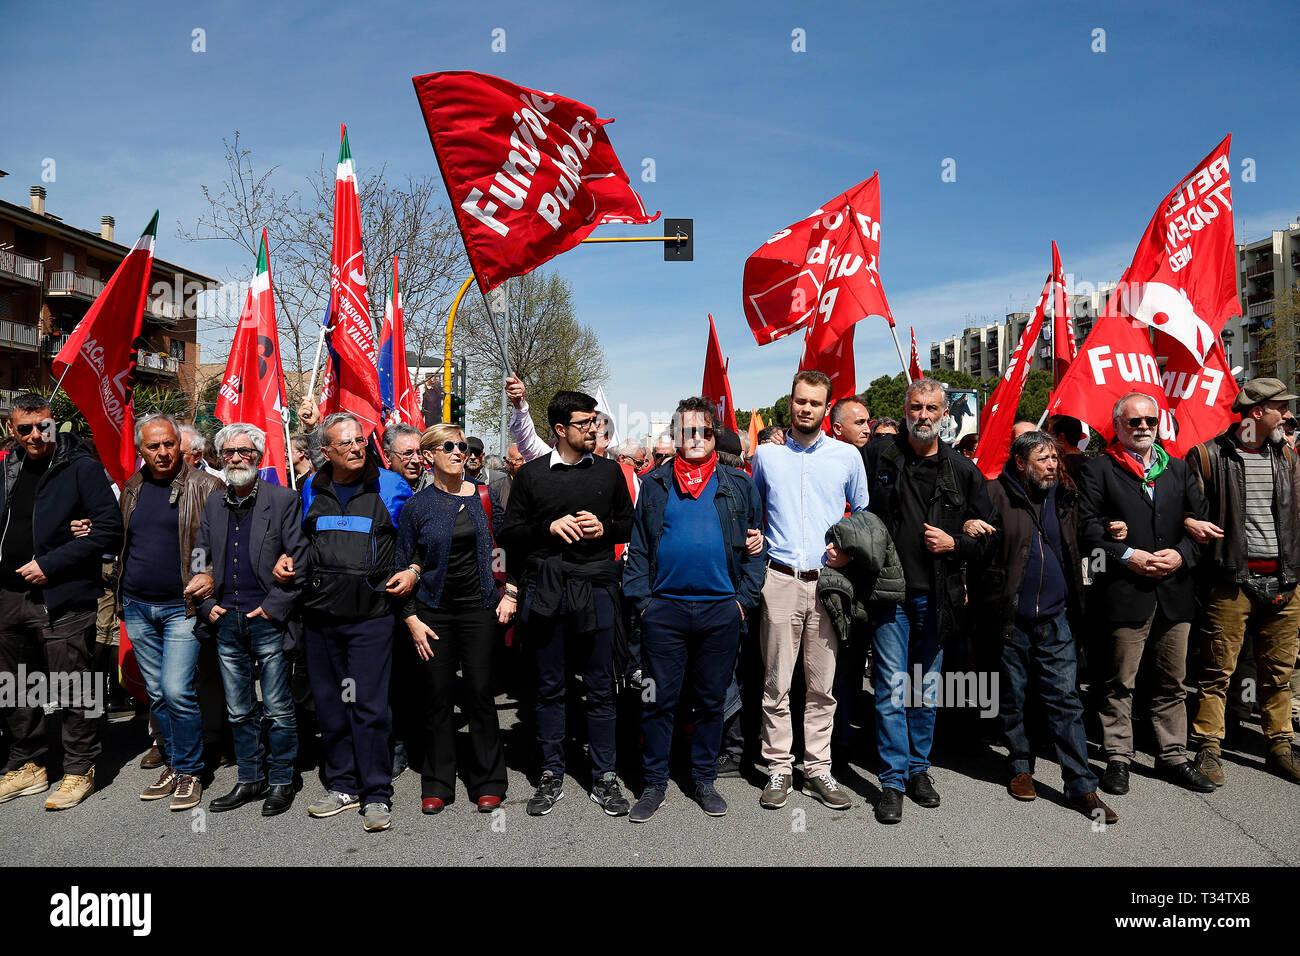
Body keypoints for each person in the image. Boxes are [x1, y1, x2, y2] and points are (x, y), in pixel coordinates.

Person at [862, 377, 998, 823]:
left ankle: (920, 769)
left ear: (944, 415)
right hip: (889, 596)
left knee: (925, 689)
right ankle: (893, 780)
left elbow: (989, 537)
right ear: (906, 410)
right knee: (890, 690)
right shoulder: (878, 457)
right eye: (916, 407)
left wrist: (956, 543)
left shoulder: (961, 469)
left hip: (937, 598)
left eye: (932, 409)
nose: (923, 415)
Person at [623, 398, 765, 821]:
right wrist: (645, 605)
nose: (697, 439)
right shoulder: (655, 484)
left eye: (704, 431)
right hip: (663, 612)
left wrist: (742, 604)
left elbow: (757, 546)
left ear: (714, 435)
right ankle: (653, 783)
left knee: (710, 700)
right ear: (676, 437)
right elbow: (639, 548)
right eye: (688, 432)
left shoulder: (740, 484)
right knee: (657, 701)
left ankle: (704, 779)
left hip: (721, 611)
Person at [500, 390, 634, 818]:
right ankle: (552, 772)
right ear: (560, 429)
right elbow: (509, 534)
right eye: (585, 423)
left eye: (595, 422)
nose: (594, 429)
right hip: (547, 591)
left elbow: (630, 524)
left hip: (596, 589)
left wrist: (606, 527)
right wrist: (548, 528)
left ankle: (604, 776)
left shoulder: (611, 473)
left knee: (601, 687)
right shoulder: (532, 476)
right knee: (550, 686)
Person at [1077, 392, 1216, 796]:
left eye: (1149, 421)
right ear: (1117, 426)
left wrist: (1181, 555)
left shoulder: (1177, 469)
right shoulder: (1098, 470)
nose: (1143, 428)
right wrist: (1126, 554)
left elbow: (1200, 525)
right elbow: (1085, 529)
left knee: (1172, 681)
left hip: (1175, 592)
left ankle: (1172, 754)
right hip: (1125, 592)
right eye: (1133, 421)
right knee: (1120, 680)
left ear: (1158, 425)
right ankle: (1118, 755)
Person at [974, 431, 1116, 823]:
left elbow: (1084, 537)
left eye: (1055, 457)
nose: (1053, 464)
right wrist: (969, 530)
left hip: (1057, 618)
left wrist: (1108, 532)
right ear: (1021, 463)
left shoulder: (1067, 497)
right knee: (1013, 697)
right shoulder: (994, 495)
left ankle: (1082, 786)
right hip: (1011, 619)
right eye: (1044, 458)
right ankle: (1021, 766)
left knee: (1066, 701)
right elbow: (979, 551)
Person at [751, 371, 869, 812]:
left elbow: (863, 516)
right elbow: (754, 511)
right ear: (791, 401)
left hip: (828, 584)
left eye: (815, 403)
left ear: (827, 409)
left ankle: (818, 768)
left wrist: (849, 552)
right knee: (776, 683)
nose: (806, 408)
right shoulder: (766, 457)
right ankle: (779, 767)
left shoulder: (847, 457)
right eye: (800, 400)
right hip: (779, 580)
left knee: (822, 686)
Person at [0, 394, 123, 810]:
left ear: (56, 424)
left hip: (61, 595)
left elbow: (109, 530)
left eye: (43, 426)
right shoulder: (7, 469)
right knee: (16, 687)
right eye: (25, 429)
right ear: (11, 430)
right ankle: (28, 764)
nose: (36, 436)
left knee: (74, 686)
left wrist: (51, 564)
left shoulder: (80, 468)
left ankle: (79, 768)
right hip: (9, 596)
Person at [295, 412, 414, 831]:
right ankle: (343, 786)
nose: (356, 448)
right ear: (325, 452)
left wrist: (414, 570)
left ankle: (377, 792)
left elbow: (414, 539)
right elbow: (305, 541)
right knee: (330, 706)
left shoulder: (392, 485)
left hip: (372, 619)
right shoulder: (311, 485)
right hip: (322, 619)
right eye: (345, 443)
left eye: (360, 440)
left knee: (368, 705)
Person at [1185, 378, 1300, 785]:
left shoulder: (1287, 455)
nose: (1287, 414)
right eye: (1280, 407)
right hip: (1230, 582)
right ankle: (1208, 748)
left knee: (1278, 673)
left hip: (1285, 582)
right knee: (1217, 672)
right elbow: (1185, 511)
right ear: (1256, 412)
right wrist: (1188, 521)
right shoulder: (1207, 456)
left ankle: (1280, 746)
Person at [189, 423, 308, 816]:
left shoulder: (284, 499)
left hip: (267, 618)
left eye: (245, 452)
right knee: (238, 708)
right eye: (229, 453)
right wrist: (206, 606)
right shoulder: (214, 502)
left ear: (259, 457)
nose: (237, 459)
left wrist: (274, 605)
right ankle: (250, 777)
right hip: (226, 618)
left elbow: (300, 558)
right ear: (220, 458)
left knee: (276, 706)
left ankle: (280, 779)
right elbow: (199, 556)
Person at [397, 424, 511, 815]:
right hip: (434, 613)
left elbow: (508, 547)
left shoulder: (486, 496)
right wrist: (411, 618)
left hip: (479, 609)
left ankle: (489, 780)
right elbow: (404, 566)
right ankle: (438, 782)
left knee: (481, 693)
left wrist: (509, 592)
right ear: (429, 456)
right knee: (438, 697)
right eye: (449, 446)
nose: (459, 451)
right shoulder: (416, 507)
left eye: (462, 445)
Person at [118, 413, 223, 812]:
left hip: (182, 607)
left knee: (178, 690)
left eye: (169, 444)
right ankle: (175, 763)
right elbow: (124, 539)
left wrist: (210, 574)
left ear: (180, 444)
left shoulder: (207, 486)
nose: (163, 453)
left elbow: (227, 542)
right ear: (140, 450)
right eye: (153, 446)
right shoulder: (132, 487)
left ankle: (191, 771)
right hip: (137, 605)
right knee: (158, 693)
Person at [383, 423, 431, 493]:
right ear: (388, 456)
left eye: (419, 453)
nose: (416, 460)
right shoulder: (378, 488)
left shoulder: (437, 487)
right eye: (408, 453)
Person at [1045, 414, 1088, 485]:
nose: (1048, 439)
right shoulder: (1092, 464)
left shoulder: (1058, 467)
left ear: (1061, 437)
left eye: (1050, 434)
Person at [492, 443, 525, 511]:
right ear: (508, 462)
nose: (524, 462)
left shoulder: (538, 485)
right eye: (519, 459)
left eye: (527, 458)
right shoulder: (496, 488)